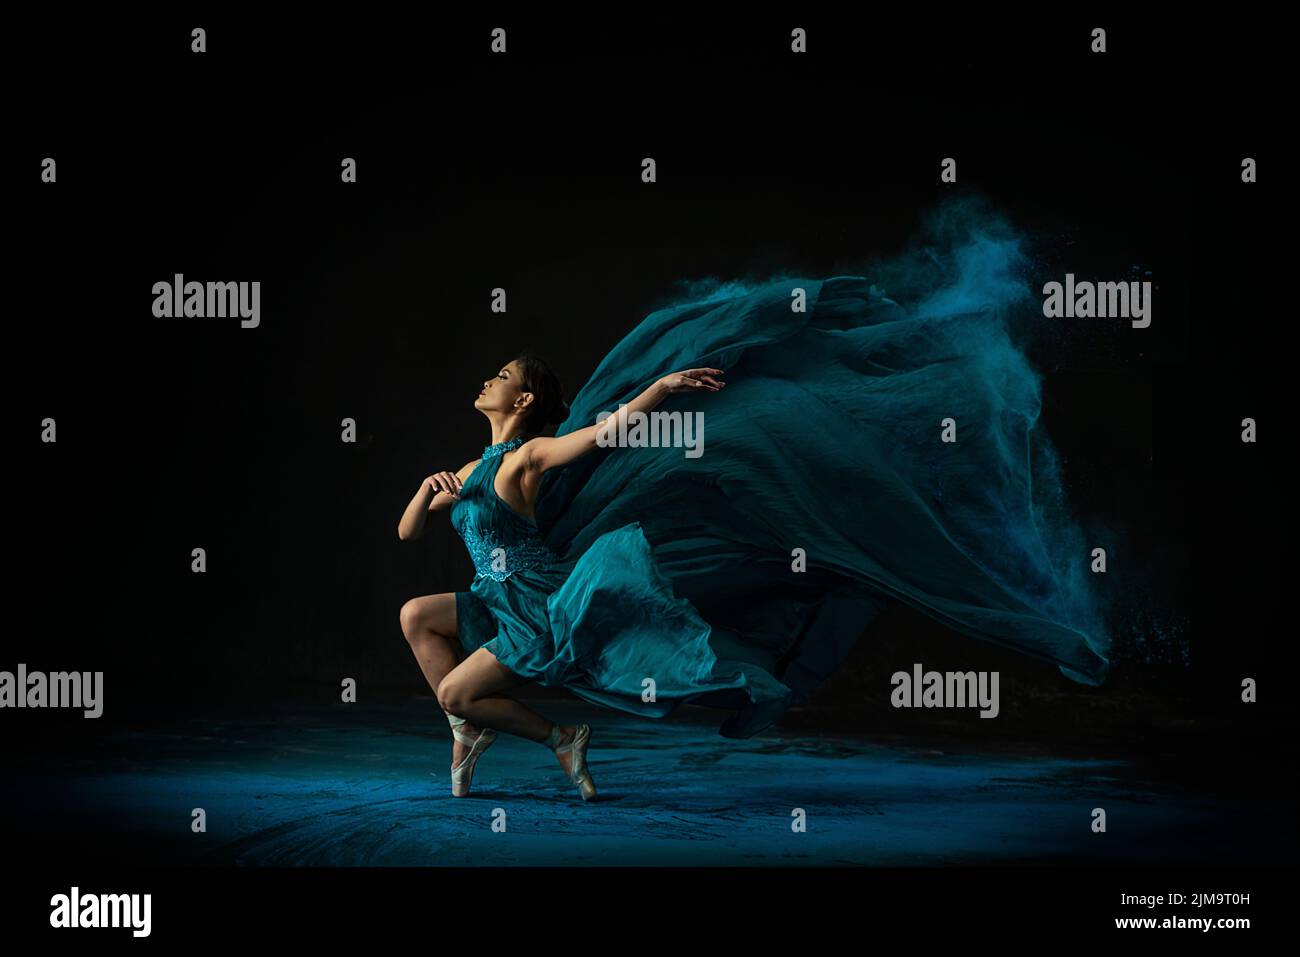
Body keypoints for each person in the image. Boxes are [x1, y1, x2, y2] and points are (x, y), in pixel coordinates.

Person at [398, 275, 1112, 800]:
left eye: (500, 376)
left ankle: (560, 738)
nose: (486, 379)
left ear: (520, 401)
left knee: (458, 690)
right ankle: (468, 729)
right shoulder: (469, 468)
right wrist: (426, 495)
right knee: (414, 617)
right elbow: (406, 532)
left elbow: (608, 432)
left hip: (532, 602)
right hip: (493, 593)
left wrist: (665, 387)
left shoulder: (527, 457)